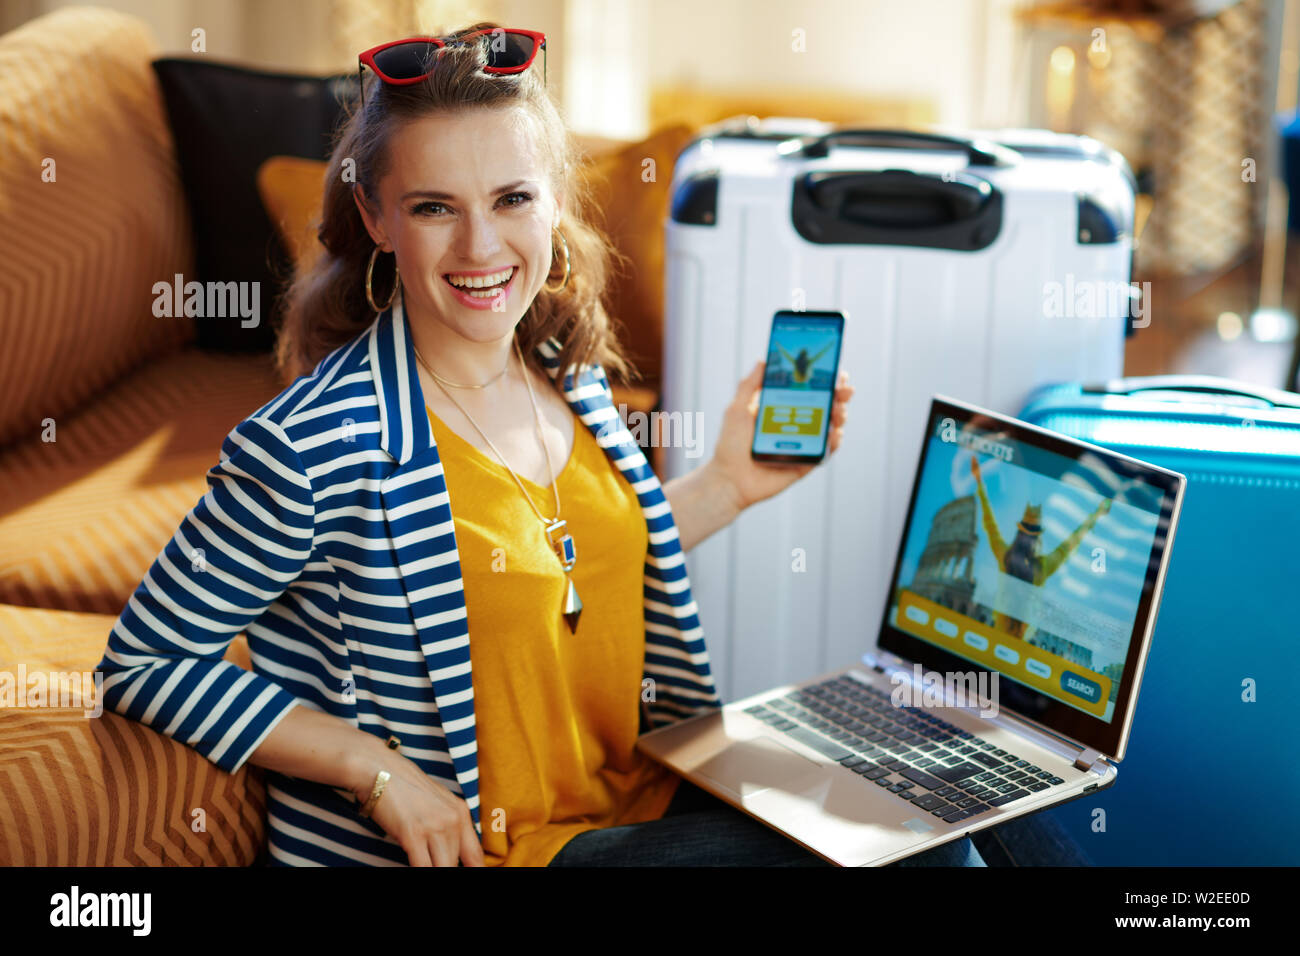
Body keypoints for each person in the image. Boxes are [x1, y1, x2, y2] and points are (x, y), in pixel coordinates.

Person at [95, 22, 1076, 868]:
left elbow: (575, 567)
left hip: (658, 792)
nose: (482, 249)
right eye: (436, 206)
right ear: (377, 216)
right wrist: (377, 771)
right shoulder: (316, 445)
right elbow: (141, 660)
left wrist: (729, 484)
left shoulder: (564, 371)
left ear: (553, 202)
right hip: (527, 849)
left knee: (996, 781)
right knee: (931, 849)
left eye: (513, 198)